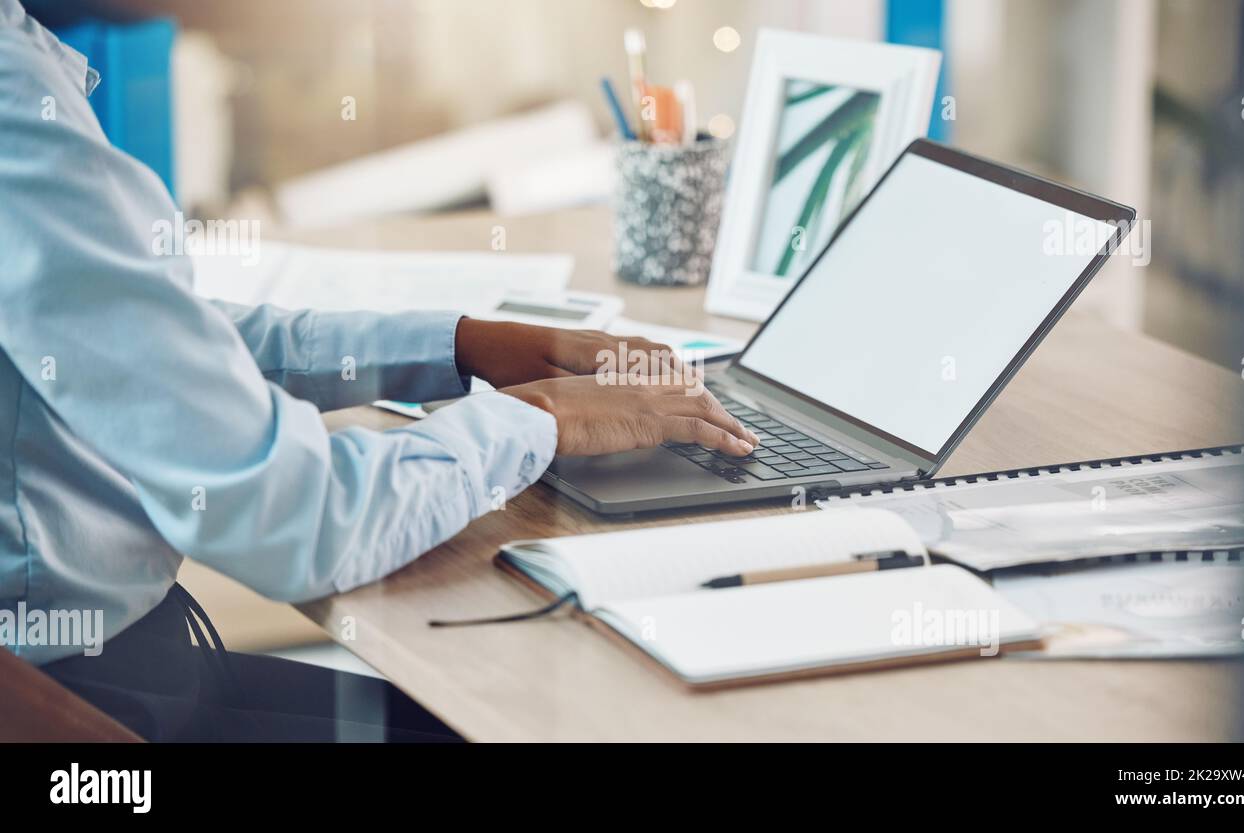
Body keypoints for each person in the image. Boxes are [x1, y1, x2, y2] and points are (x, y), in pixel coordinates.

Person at [0, 0, 757, 741]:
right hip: (78, 709)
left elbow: (153, 339)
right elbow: (296, 517)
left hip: (115, 665)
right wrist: (542, 420)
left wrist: (458, 348)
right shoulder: (18, 119)